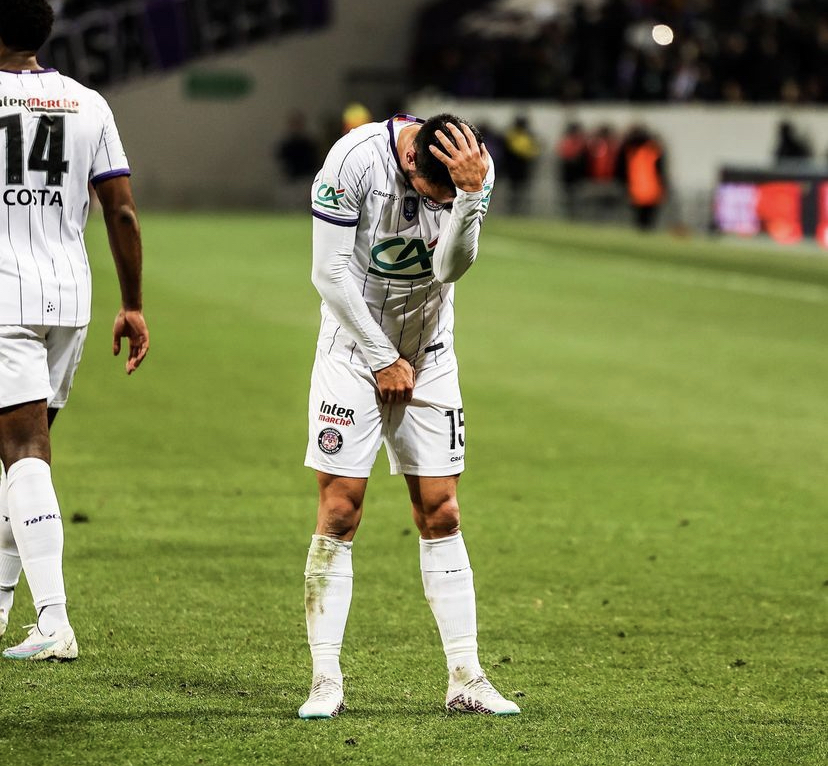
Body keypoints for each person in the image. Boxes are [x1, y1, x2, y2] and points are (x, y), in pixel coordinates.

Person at [300, 113, 519, 718]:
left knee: (442, 510)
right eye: (434, 196)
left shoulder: (472, 170)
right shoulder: (351, 161)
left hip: (430, 352)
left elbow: (450, 268)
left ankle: (467, 678)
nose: (439, 206)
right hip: (353, 350)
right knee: (340, 508)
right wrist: (379, 357)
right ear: (407, 163)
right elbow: (329, 273)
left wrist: (470, 196)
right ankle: (326, 681)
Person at [0, 0, 149, 661]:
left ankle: (55, 621)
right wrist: (133, 303)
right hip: (69, 298)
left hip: (3, 295)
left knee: (23, 452)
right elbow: (120, 212)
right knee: (18, 460)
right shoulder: (88, 103)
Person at [617, 125, 667, 230]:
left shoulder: (632, 151)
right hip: (650, 191)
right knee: (646, 223)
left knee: (641, 222)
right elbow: (661, 171)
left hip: (639, 190)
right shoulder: (652, 150)